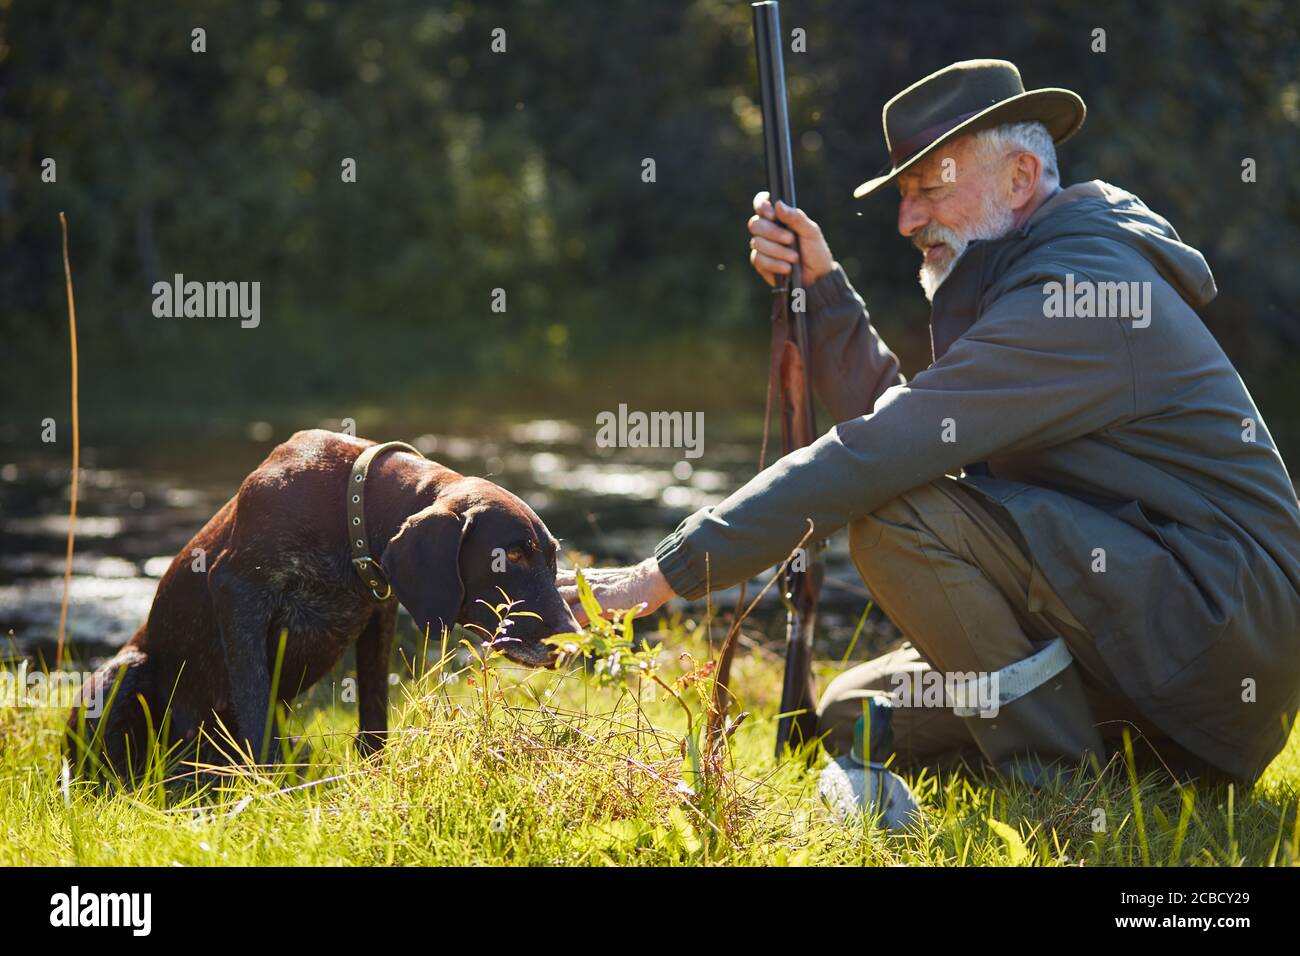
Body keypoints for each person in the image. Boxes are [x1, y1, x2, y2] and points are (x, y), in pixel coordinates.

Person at [558, 59, 1300, 787]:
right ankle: (1136, 759)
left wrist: (662, 575)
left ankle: (1056, 781)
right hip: (1153, 628)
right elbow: (925, 444)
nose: (908, 218)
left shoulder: (1080, 291)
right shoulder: (1031, 266)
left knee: (896, 521)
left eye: (929, 187)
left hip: (1217, 642)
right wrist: (824, 291)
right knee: (859, 711)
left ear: (1018, 177)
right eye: (903, 193)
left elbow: (889, 454)